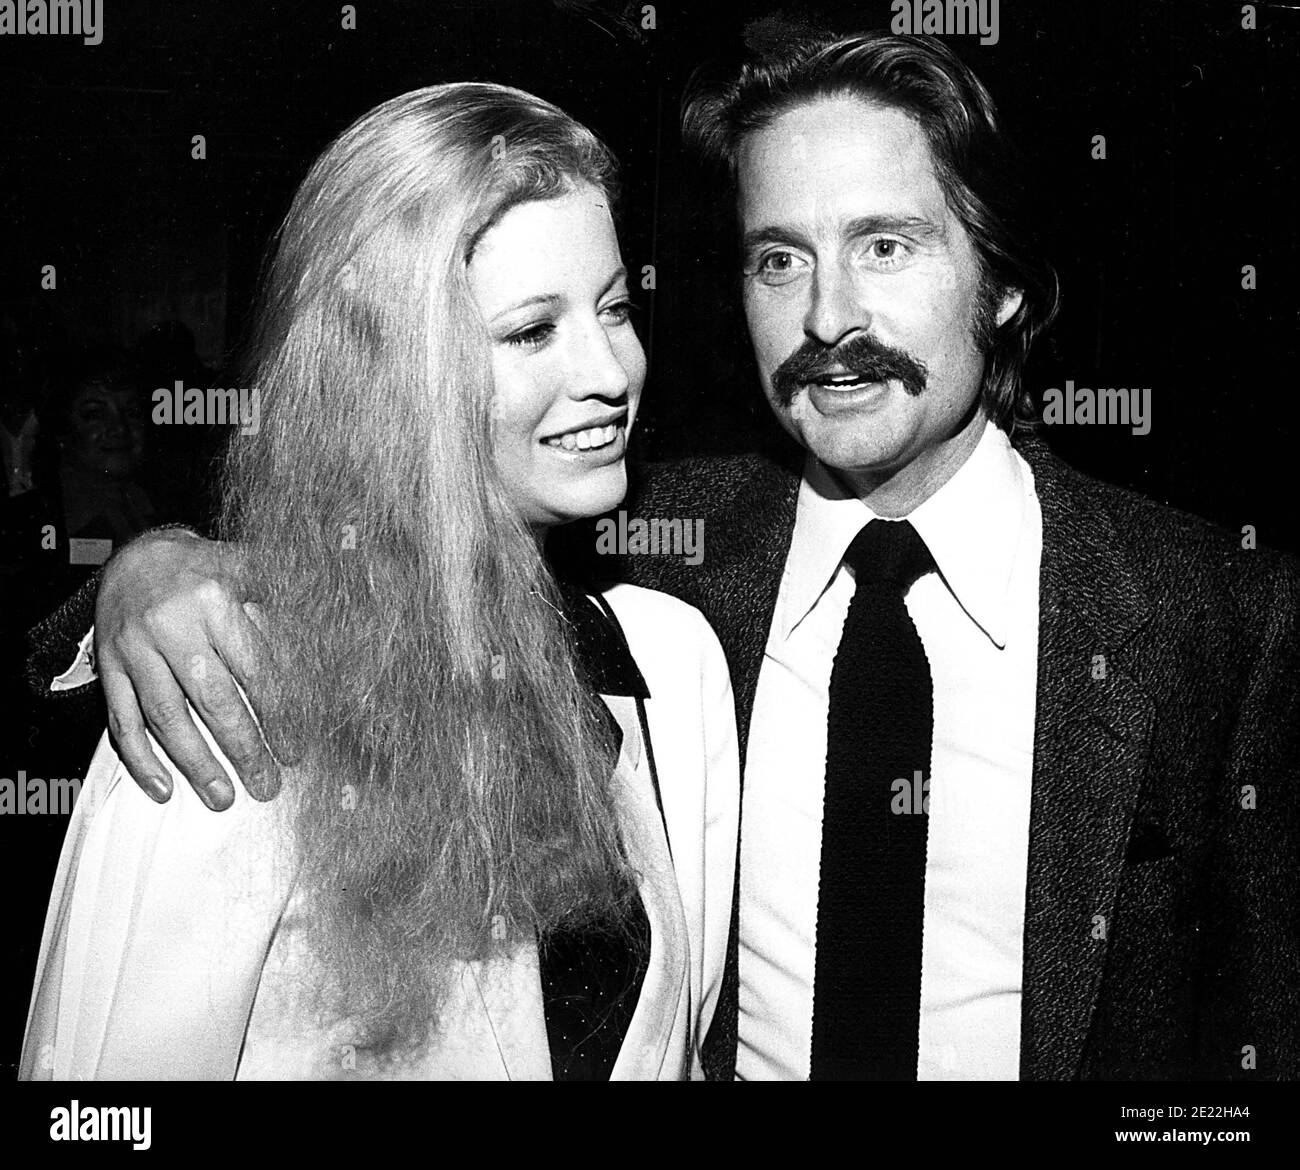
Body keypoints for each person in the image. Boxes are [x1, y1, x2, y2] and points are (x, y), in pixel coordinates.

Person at [30, 31, 1300, 1083]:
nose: (828, 318)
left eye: (887, 245)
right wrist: (140, 573)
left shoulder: (1205, 614)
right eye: (777, 258)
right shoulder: (677, 572)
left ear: (1007, 284)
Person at [19, 82, 738, 1080]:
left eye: (614, 308)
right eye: (533, 330)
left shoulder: (670, 665)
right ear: (389, 375)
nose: (610, 369)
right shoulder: (226, 689)